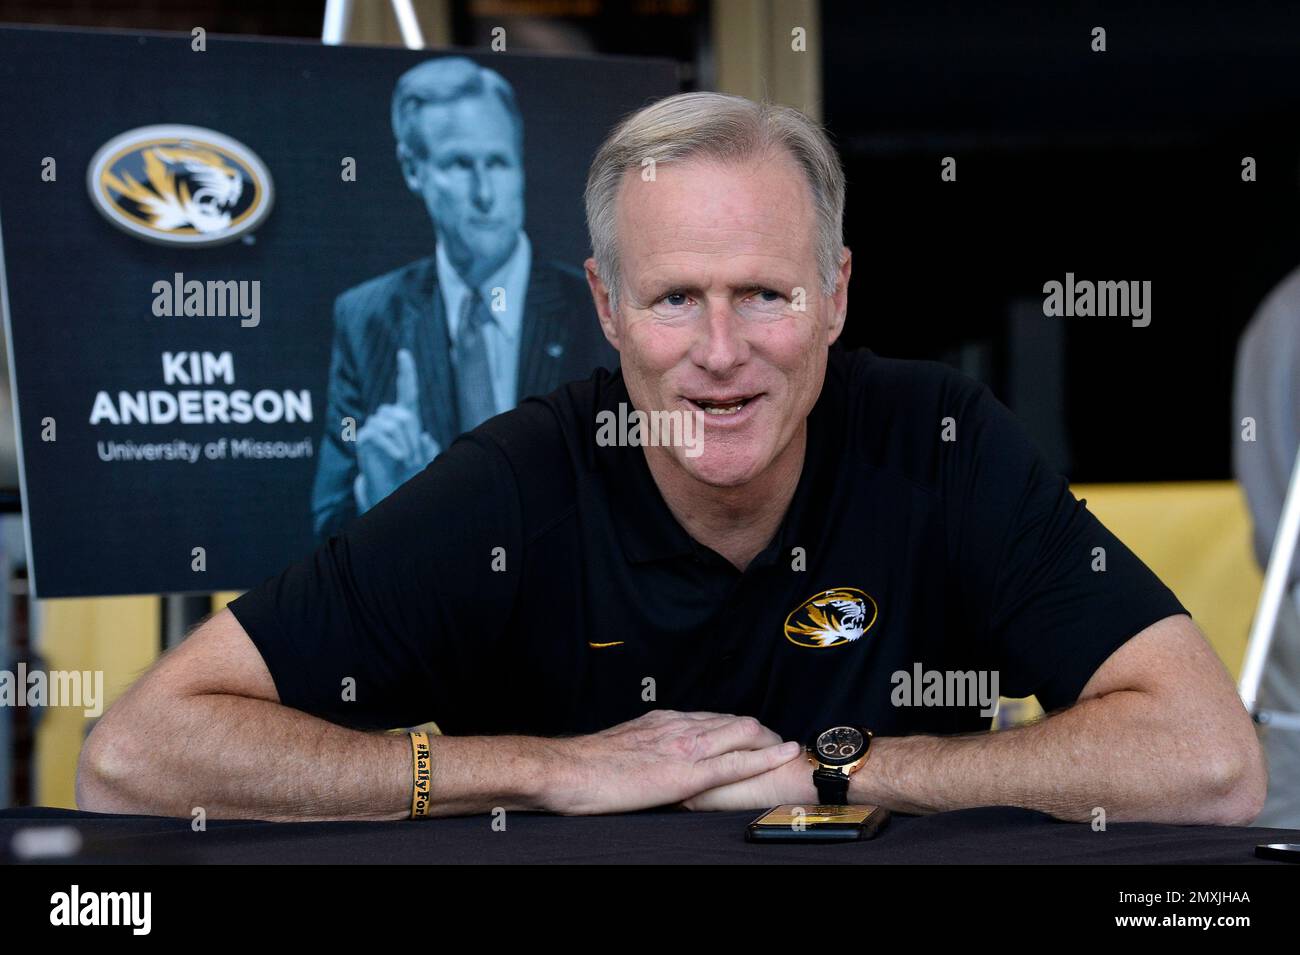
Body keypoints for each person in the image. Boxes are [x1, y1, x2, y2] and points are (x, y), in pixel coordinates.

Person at [78, 92, 1265, 825]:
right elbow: (132, 758)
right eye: (672, 299)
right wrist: (539, 770)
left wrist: (842, 769)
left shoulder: (941, 442)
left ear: (837, 293)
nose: (720, 353)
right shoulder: (516, 485)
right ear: (602, 305)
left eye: (765, 293)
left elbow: (1210, 762)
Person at [311, 56, 616, 540]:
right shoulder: (368, 318)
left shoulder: (599, 309)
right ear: (414, 170)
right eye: (459, 164)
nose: (484, 194)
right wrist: (383, 495)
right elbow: (327, 533)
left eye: (497, 163)